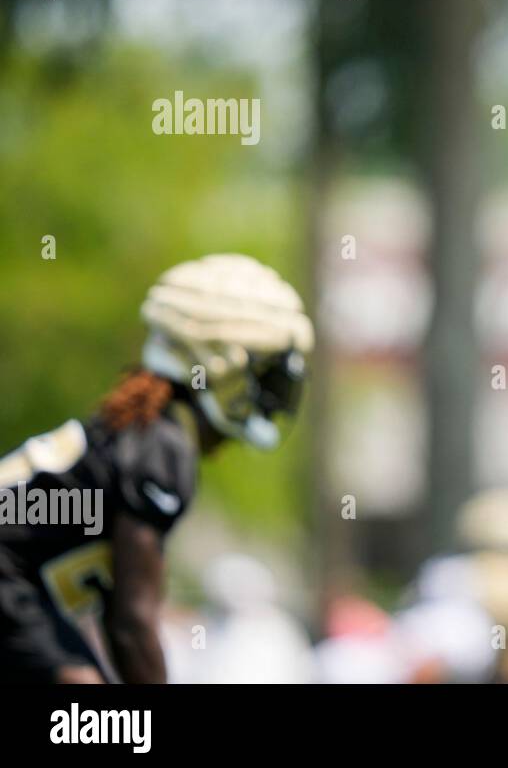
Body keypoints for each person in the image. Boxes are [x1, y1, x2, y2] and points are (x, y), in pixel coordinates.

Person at [0, 254, 313, 683]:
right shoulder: (162, 450)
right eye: (264, 376)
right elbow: (133, 620)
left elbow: (120, 618)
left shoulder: (145, 436)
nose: (271, 394)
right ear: (222, 363)